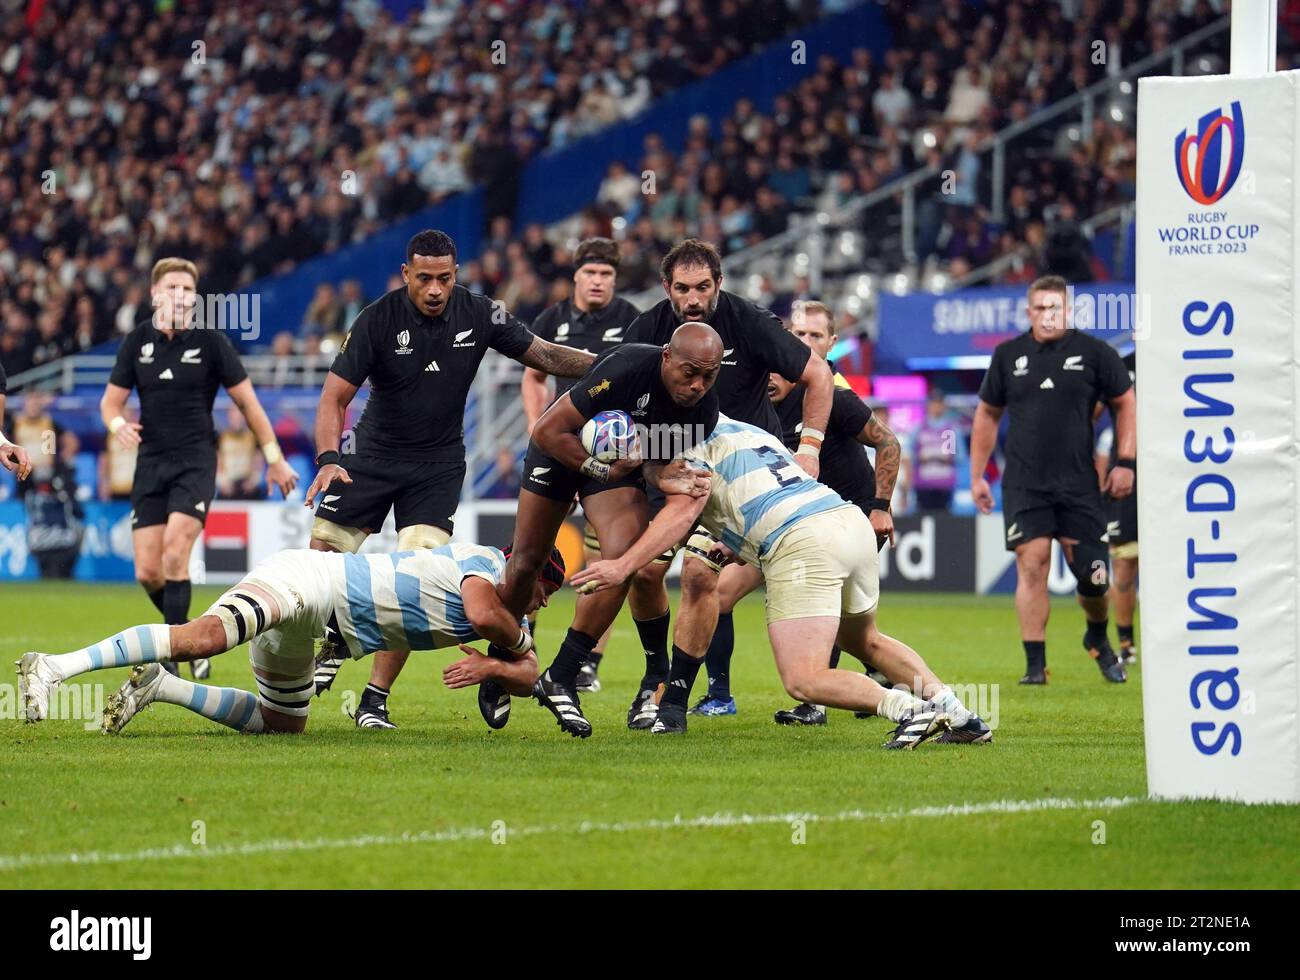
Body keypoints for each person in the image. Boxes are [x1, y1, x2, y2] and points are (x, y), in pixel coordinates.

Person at [303, 229, 595, 729]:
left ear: (456, 274)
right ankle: (329, 642)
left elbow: (545, 356)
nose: (435, 289)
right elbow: (334, 398)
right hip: (368, 459)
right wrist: (330, 457)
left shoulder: (482, 312)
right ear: (405, 275)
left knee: (413, 582)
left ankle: (374, 699)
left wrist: (618, 366)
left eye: (444, 278)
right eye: (424, 279)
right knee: (314, 576)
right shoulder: (377, 318)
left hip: (436, 467)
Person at [571, 415, 990, 746]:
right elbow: (767, 489)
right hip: (846, 521)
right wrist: (736, 543)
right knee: (866, 640)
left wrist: (622, 565)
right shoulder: (745, 429)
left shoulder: (680, 451)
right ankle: (960, 714)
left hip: (803, 542)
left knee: (802, 679)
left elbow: (680, 515)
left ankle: (909, 711)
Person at [18, 543, 566, 736]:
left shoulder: (507, 609)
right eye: (543, 590)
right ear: (526, 571)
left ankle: (162, 688)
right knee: (203, 638)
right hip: (313, 582)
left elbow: (526, 675)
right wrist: (516, 647)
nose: (541, 604)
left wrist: (497, 669)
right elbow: (485, 616)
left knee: (284, 724)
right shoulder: (486, 565)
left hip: (323, 627)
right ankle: (53, 667)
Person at [621, 240, 834, 726]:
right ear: (666, 288)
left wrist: (810, 449)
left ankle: (672, 704)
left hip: (743, 478)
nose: (693, 299)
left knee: (699, 576)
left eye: (702, 288)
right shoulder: (648, 328)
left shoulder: (750, 321)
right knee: (646, 573)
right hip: (672, 466)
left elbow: (818, 375)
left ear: (719, 284)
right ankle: (654, 675)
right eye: (682, 289)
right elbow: (614, 389)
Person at [497, 322, 723, 738]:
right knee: (527, 563)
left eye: (709, 376)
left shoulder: (703, 412)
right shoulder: (625, 367)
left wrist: (664, 478)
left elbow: (652, 464)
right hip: (560, 451)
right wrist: (599, 468)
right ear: (667, 357)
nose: (698, 386)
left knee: (626, 559)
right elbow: (547, 430)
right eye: (690, 372)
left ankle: (562, 674)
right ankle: (503, 657)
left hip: (615, 467)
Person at [101, 257, 299, 681]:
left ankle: (168, 664)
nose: (180, 296)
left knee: (176, 554)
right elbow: (110, 402)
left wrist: (275, 457)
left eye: (188, 290)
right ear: (156, 294)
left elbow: (248, 404)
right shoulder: (137, 342)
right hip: (150, 462)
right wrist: (117, 425)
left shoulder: (211, 343)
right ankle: (194, 640)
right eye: (172, 287)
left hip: (195, 462)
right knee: (148, 571)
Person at [697, 300, 895, 721]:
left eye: (814, 337)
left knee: (834, 618)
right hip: (789, 525)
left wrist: (880, 507)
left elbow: (888, 441)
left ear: (830, 344)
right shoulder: (755, 408)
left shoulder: (832, 397)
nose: (804, 345)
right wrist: (734, 540)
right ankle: (719, 695)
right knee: (722, 592)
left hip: (843, 521)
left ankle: (817, 701)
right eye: (798, 337)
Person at [969, 275, 1135, 685]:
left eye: (1055, 308)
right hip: (1025, 482)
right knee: (1032, 563)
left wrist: (1126, 460)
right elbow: (987, 414)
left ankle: (1096, 635)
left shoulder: (1096, 353)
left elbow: (1125, 402)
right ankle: (1034, 666)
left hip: (1080, 483)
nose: (1047, 316)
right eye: (1040, 309)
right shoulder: (1008, 355)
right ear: (1028, 313)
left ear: (1069, 311)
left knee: (1095, 577)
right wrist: (977, 475)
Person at [520, 237, 641, 692]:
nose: (598, 281)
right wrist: (537, 427)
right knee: (531, 551)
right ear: (576, 276)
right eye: (591, 273)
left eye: (607, 274)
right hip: (558, 446)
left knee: (603, 556)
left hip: (608, 451)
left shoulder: (631, 319)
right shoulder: (552, 319)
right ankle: (522, 640)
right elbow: (532, 376)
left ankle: (588, 659)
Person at [1094, 351, 1138, 664]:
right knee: (1123, 565)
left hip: (1169, 471)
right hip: (1124, 472)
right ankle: (1126, 645)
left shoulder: (1179, 362)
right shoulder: (1121, 367)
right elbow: (1089, 411)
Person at [912, 387, 959, 512]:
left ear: (944, 406)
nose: (936, 406)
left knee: (944, 522)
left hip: (944, 485)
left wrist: (948, 458)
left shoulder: (953, 429)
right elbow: (909, 456)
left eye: (939, 403)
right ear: (928, 405)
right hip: (923, 485)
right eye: (933, 403)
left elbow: (961, 458)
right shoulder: (918, 428)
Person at [217, 405, 266, 501]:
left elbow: (259, 462)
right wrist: (222, 482)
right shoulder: (221, 438)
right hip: (227, 488)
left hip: (248, 487)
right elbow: (217, 462)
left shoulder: (253, 437)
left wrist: (253, 481)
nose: (237, 418)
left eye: (240, 415)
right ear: (229, 416)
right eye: (234, 414)